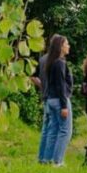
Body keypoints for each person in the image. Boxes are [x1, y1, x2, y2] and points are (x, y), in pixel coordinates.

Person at [39, 34, 73, 166]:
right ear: (60, 46)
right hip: (60, 100)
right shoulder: (59, 63)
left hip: (51, 100)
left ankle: (46, 159)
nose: (68, 46)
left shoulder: (50, 62)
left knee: (52, 130)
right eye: (66, 44)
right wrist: (64, 106)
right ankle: (58, 161)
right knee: (65, 131)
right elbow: (60, 85)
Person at [33, 36, 54, 164]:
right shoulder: (55, 60)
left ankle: (41, 157)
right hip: (54, 97)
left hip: (45, 96)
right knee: (53, 129)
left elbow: (33, 77)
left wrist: (42, 87)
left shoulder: (42, 59)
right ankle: (48, 158)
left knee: (46, 128)